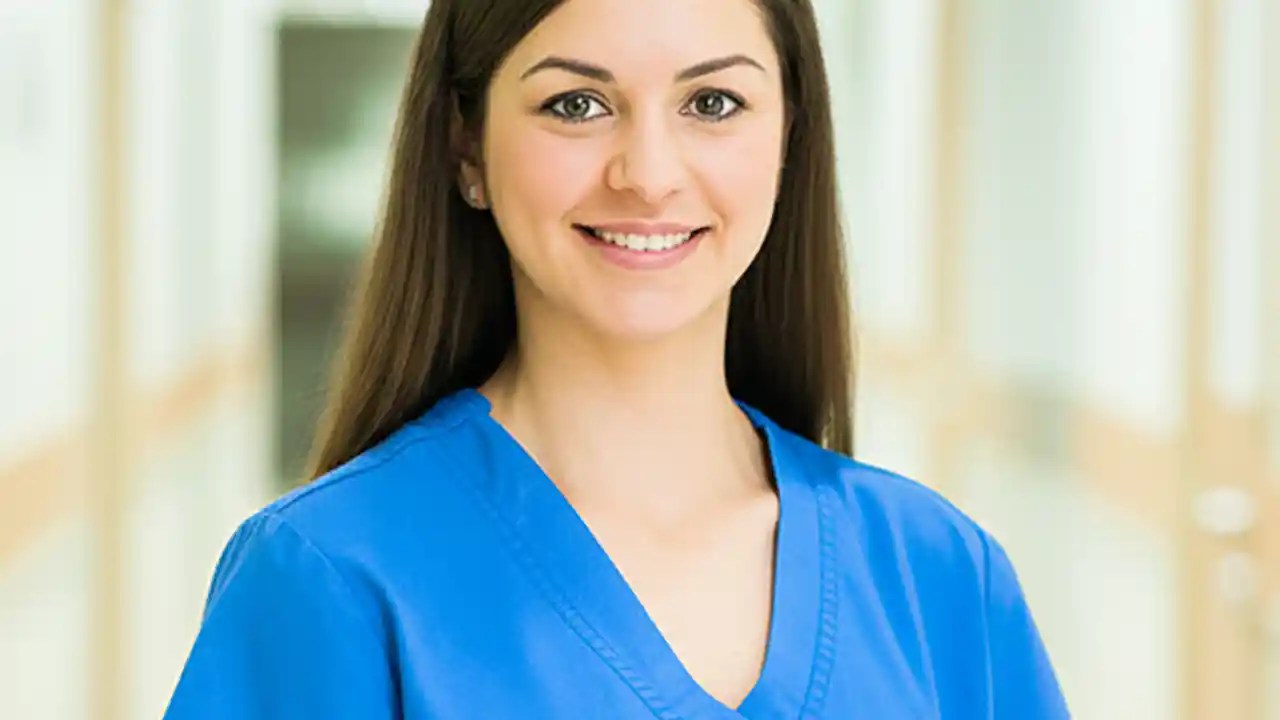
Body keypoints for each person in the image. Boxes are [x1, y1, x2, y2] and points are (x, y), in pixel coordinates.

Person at [164, 0, 1070, 717]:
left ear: (789, 139)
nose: (647, 173)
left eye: (712, 103)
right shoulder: (331, 576)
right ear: (465, 146)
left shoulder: (937, 573)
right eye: (577, 105)